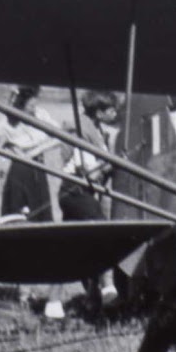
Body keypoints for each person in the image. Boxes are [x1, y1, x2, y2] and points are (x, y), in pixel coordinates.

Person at [61, 91, 125, 306]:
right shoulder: (83, 131)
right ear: (98, 112)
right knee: (102, 233)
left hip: (75, 190)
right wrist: (113, 163)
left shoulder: (95, 130)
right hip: (77, 189)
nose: (115, 112)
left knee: (69, 247)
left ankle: (69, 300)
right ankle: (108, 288)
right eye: (110, 110)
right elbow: (91, 174)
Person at [0, 85, 58, 221]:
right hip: (20, 172)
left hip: (39, 170)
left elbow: (60, 137)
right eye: (30, 106)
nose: (33, 109)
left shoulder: (41, 115)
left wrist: (37, 150)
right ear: (20, 103)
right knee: (18, 217)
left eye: (34, 104)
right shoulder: (5, 124)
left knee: (42, 217)